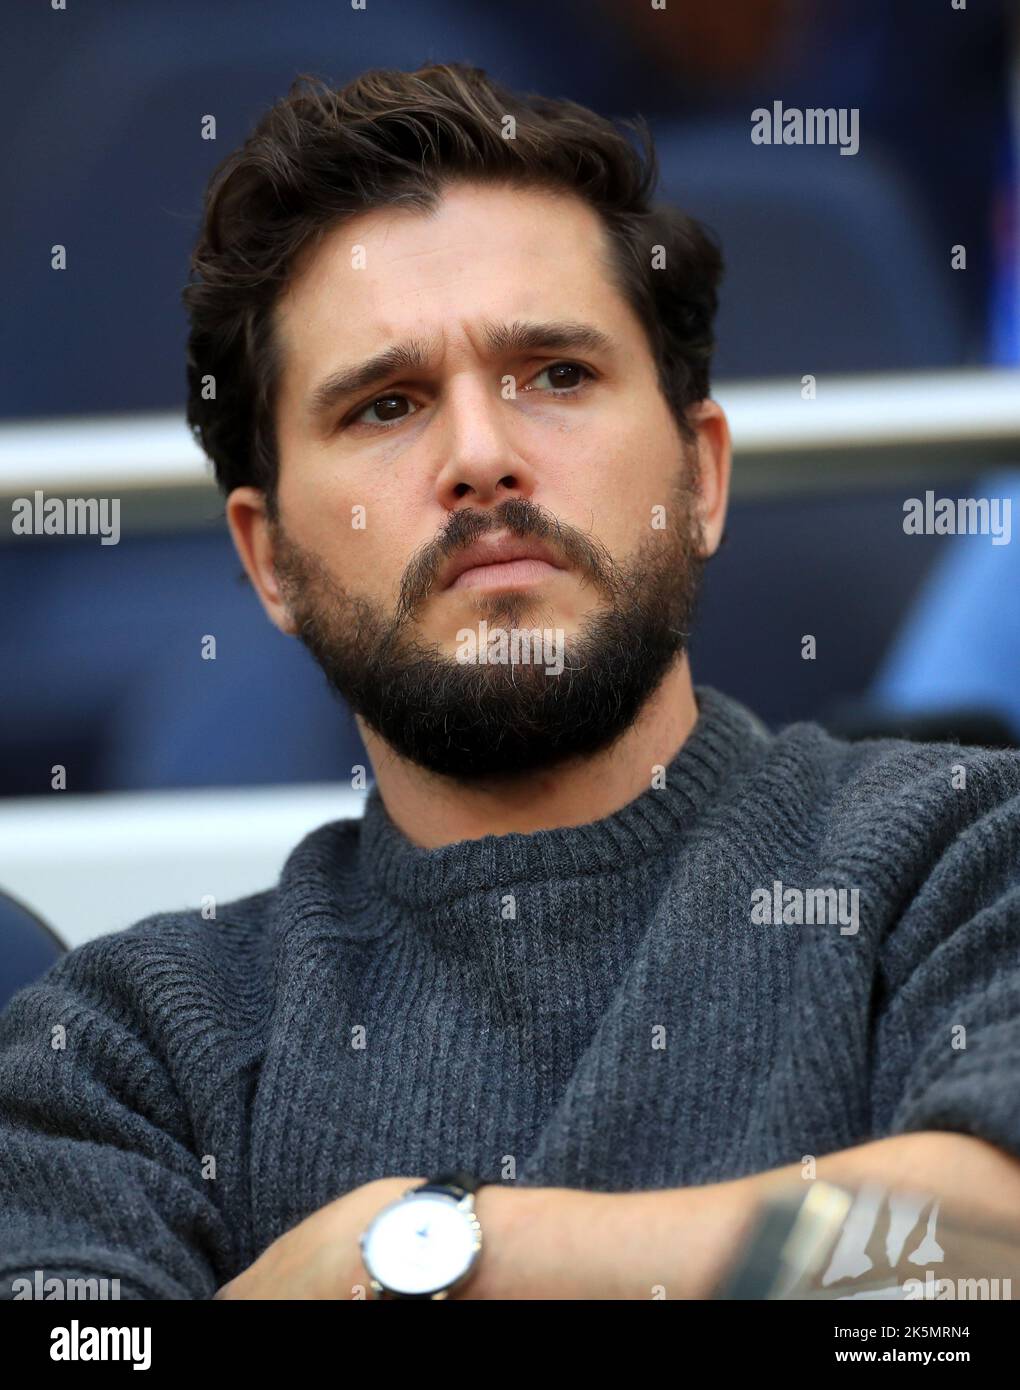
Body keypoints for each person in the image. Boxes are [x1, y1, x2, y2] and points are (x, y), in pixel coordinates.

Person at [2, 63, 1019, 1303]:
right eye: (386, 404)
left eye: (555, 375)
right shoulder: (128, 1044)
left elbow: (987, 1262)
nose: (482, 457)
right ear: (269, 559)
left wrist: (420, 1256)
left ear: (700, 478)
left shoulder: (968, 855)